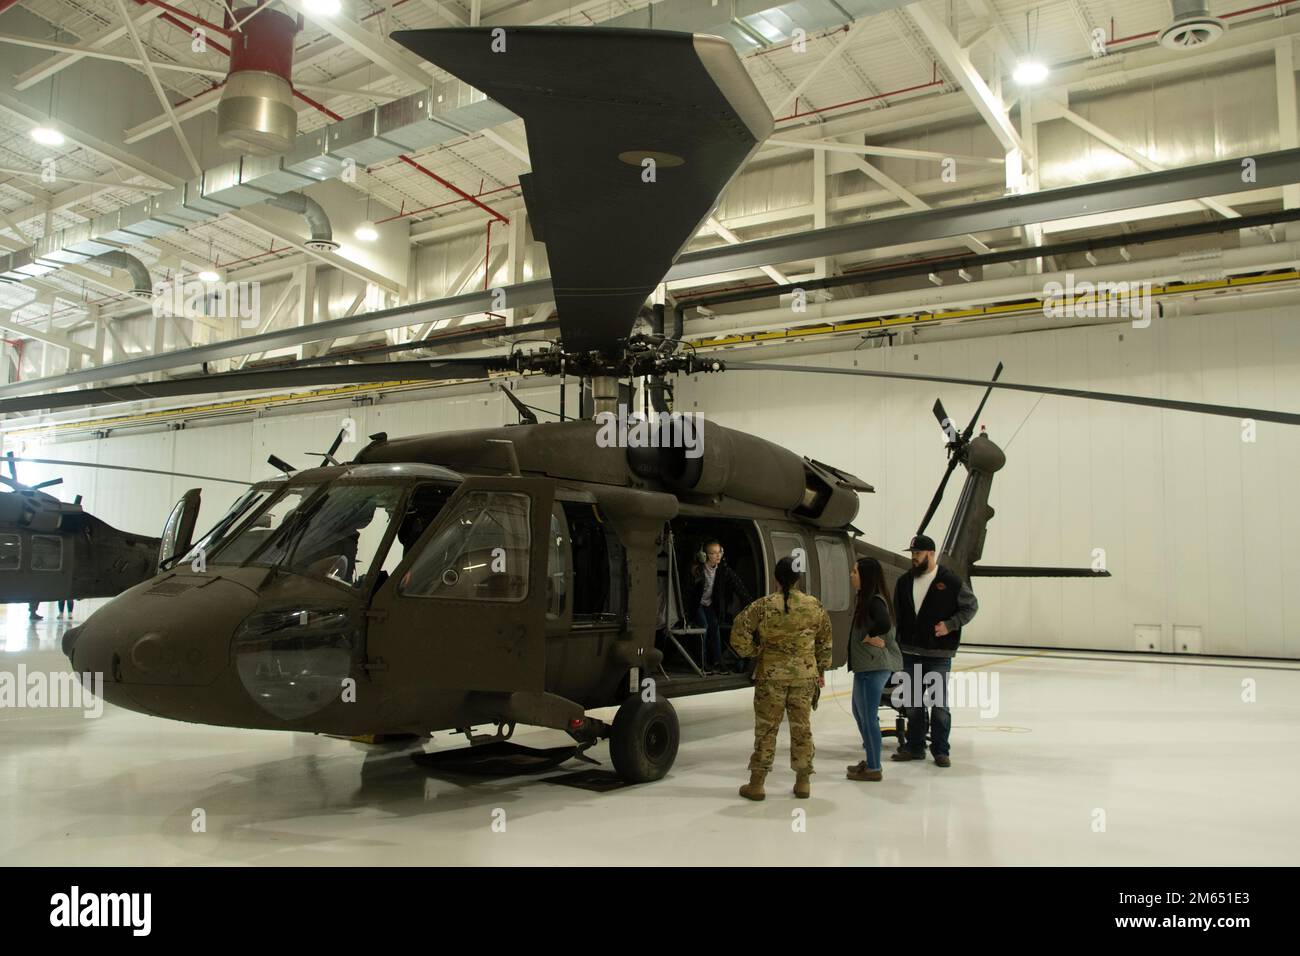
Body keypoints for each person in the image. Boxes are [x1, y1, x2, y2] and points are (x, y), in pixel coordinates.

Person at [730, 556, 833, 800]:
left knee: (766, 730)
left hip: (770, 677)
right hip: (804, 677)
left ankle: (757, 784)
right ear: (798, 578)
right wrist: (820, 670)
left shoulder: (763, 606)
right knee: (802, 728)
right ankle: (803, 782)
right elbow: (825, 641)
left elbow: (738, 631)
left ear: (776, 577)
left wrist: (753, 652)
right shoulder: (814, 606)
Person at [891, 534, 978, 768]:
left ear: (930, 554)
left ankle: (941, 750)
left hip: (938, 655)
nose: (913, 558)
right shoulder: (904, 582)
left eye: (917, 554)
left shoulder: (950, 581)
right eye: (912, 554)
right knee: (913, 705)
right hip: (909, 653)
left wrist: (950, 625)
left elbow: (971, 606)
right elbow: (897, 613)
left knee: (939, 706)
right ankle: (915, 747)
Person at [846, 556, 903, 782]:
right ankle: (871, 760)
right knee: (859, 713)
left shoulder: (874, 601)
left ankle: (874, 767)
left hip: (873, 666)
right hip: (865, 666)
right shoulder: (867, 599)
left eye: (855, 572)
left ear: (866, 577)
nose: (851, 575)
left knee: (868, 717)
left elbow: (883, 623)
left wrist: (872, 637)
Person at [688, 540, 752, 672]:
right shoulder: (698, 570)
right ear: (705, 555)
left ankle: (717, 661)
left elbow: (737, 585)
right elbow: (687, 591)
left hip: (709, 604)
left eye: (719, 552)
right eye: (713, 553)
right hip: (697, 604)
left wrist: (751, 602)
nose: (718, 556)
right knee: (704, 627)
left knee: (715, 628)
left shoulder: (723, 570)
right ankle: (701, 662)